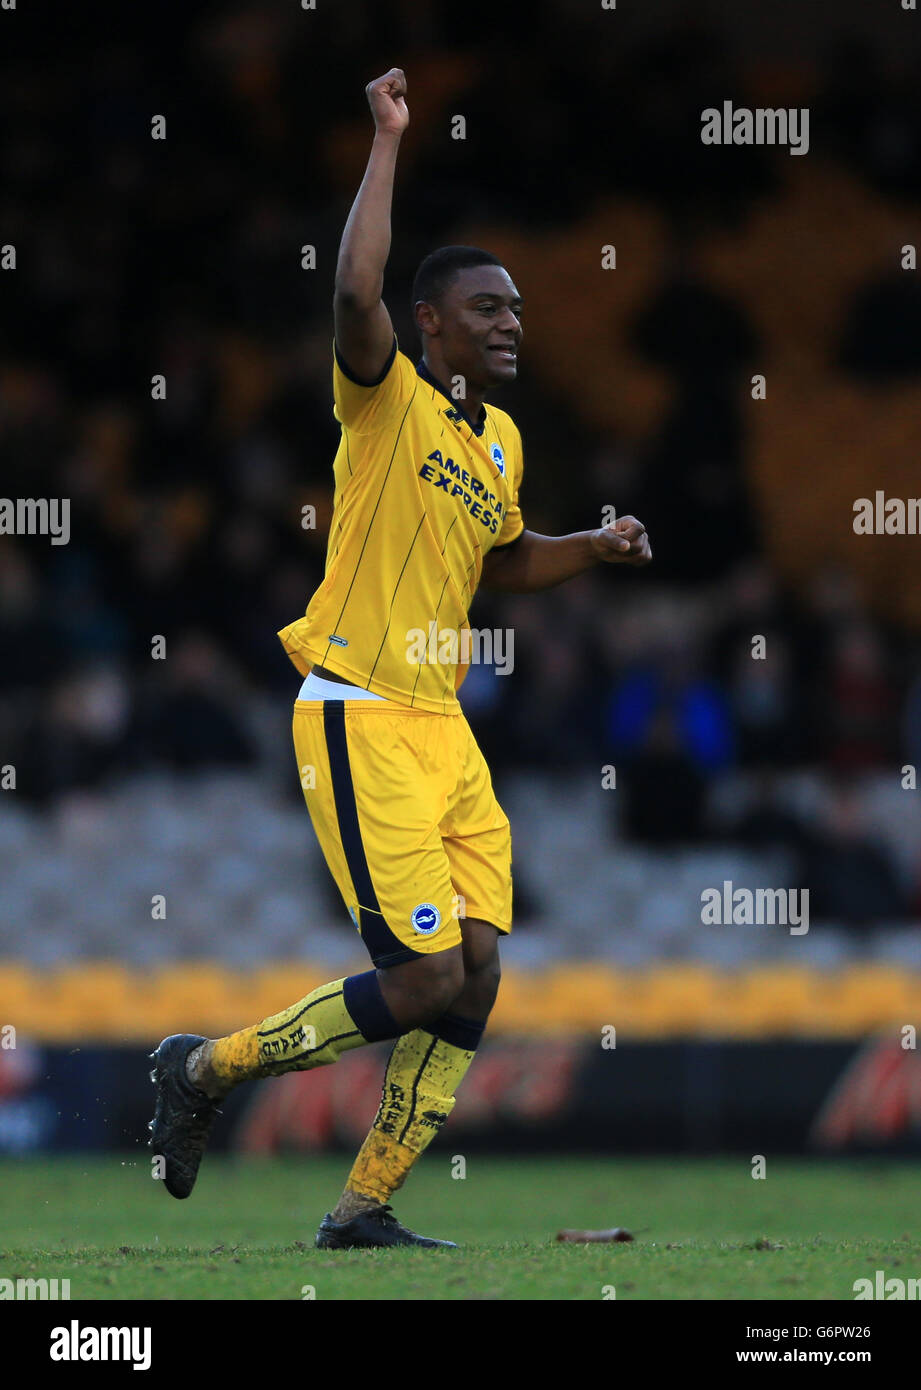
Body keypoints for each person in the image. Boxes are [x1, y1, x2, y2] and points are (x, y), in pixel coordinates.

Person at [149, 68, 652, 1250]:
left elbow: (501, 564)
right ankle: (203, 1066)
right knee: (423, 980)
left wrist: (590, 545)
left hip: (443, 724)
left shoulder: (503, 443)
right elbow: (355, 285)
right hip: (358, 708)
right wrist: (386, 143)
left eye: (519, 310)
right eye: (489, 310)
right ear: (434, 326)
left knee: (476, 968)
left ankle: (365, 1207)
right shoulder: (384, 399)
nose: (512, 324)